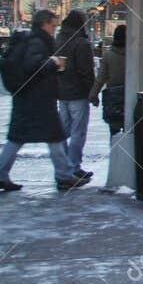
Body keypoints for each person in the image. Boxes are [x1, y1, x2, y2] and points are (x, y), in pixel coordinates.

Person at [0, 10, 90, 192]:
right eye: (53, 25)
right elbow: (33, 66)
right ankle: (64, 176)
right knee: (54, 137)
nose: (55, 29)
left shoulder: (32, 39)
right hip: (38, 99)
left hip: (28, 98)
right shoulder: (38, 41)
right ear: (45, 24)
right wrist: (53, 63)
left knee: (19, 138)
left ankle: (0, 175)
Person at [54, 10, 96, 180]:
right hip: (78, 93)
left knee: (63, 131)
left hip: (61, 92)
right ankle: (74, 166)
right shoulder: (82, 44)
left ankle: (64, 166)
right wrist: (93, 92)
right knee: (78, 132)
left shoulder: (58, 40)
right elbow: (86, 72)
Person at [91, 24, 128, 139]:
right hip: (131, 96)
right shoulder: (134, 55)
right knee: (132, 131)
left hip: (113, 98)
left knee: (114, 130)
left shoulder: (108, 55)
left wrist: (93, 95)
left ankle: (115, 147)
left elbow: (101, 78)